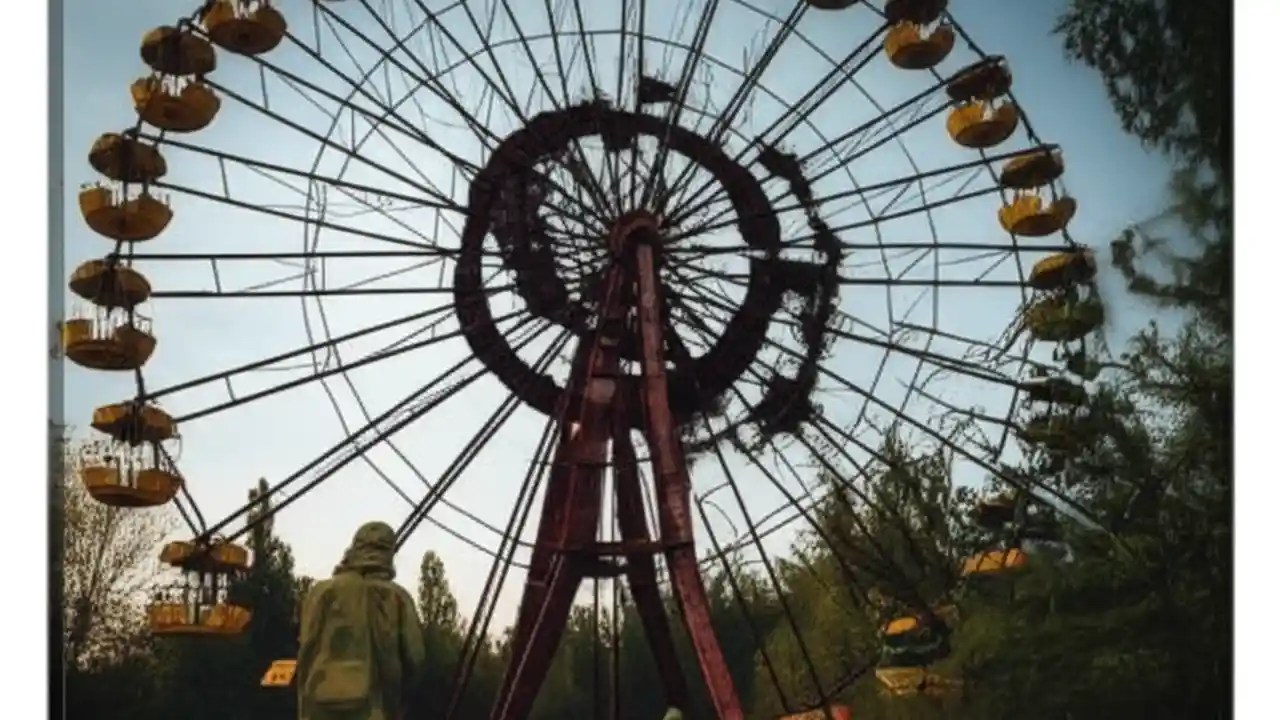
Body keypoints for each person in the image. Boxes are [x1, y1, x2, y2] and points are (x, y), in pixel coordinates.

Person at [298, 522, 426, 720]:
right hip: (375, 707)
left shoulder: (321, 592)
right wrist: (400, 704)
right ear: (389, 553)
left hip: (319, 706)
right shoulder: (397, 597)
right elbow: (415, 659)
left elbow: (306, 650)